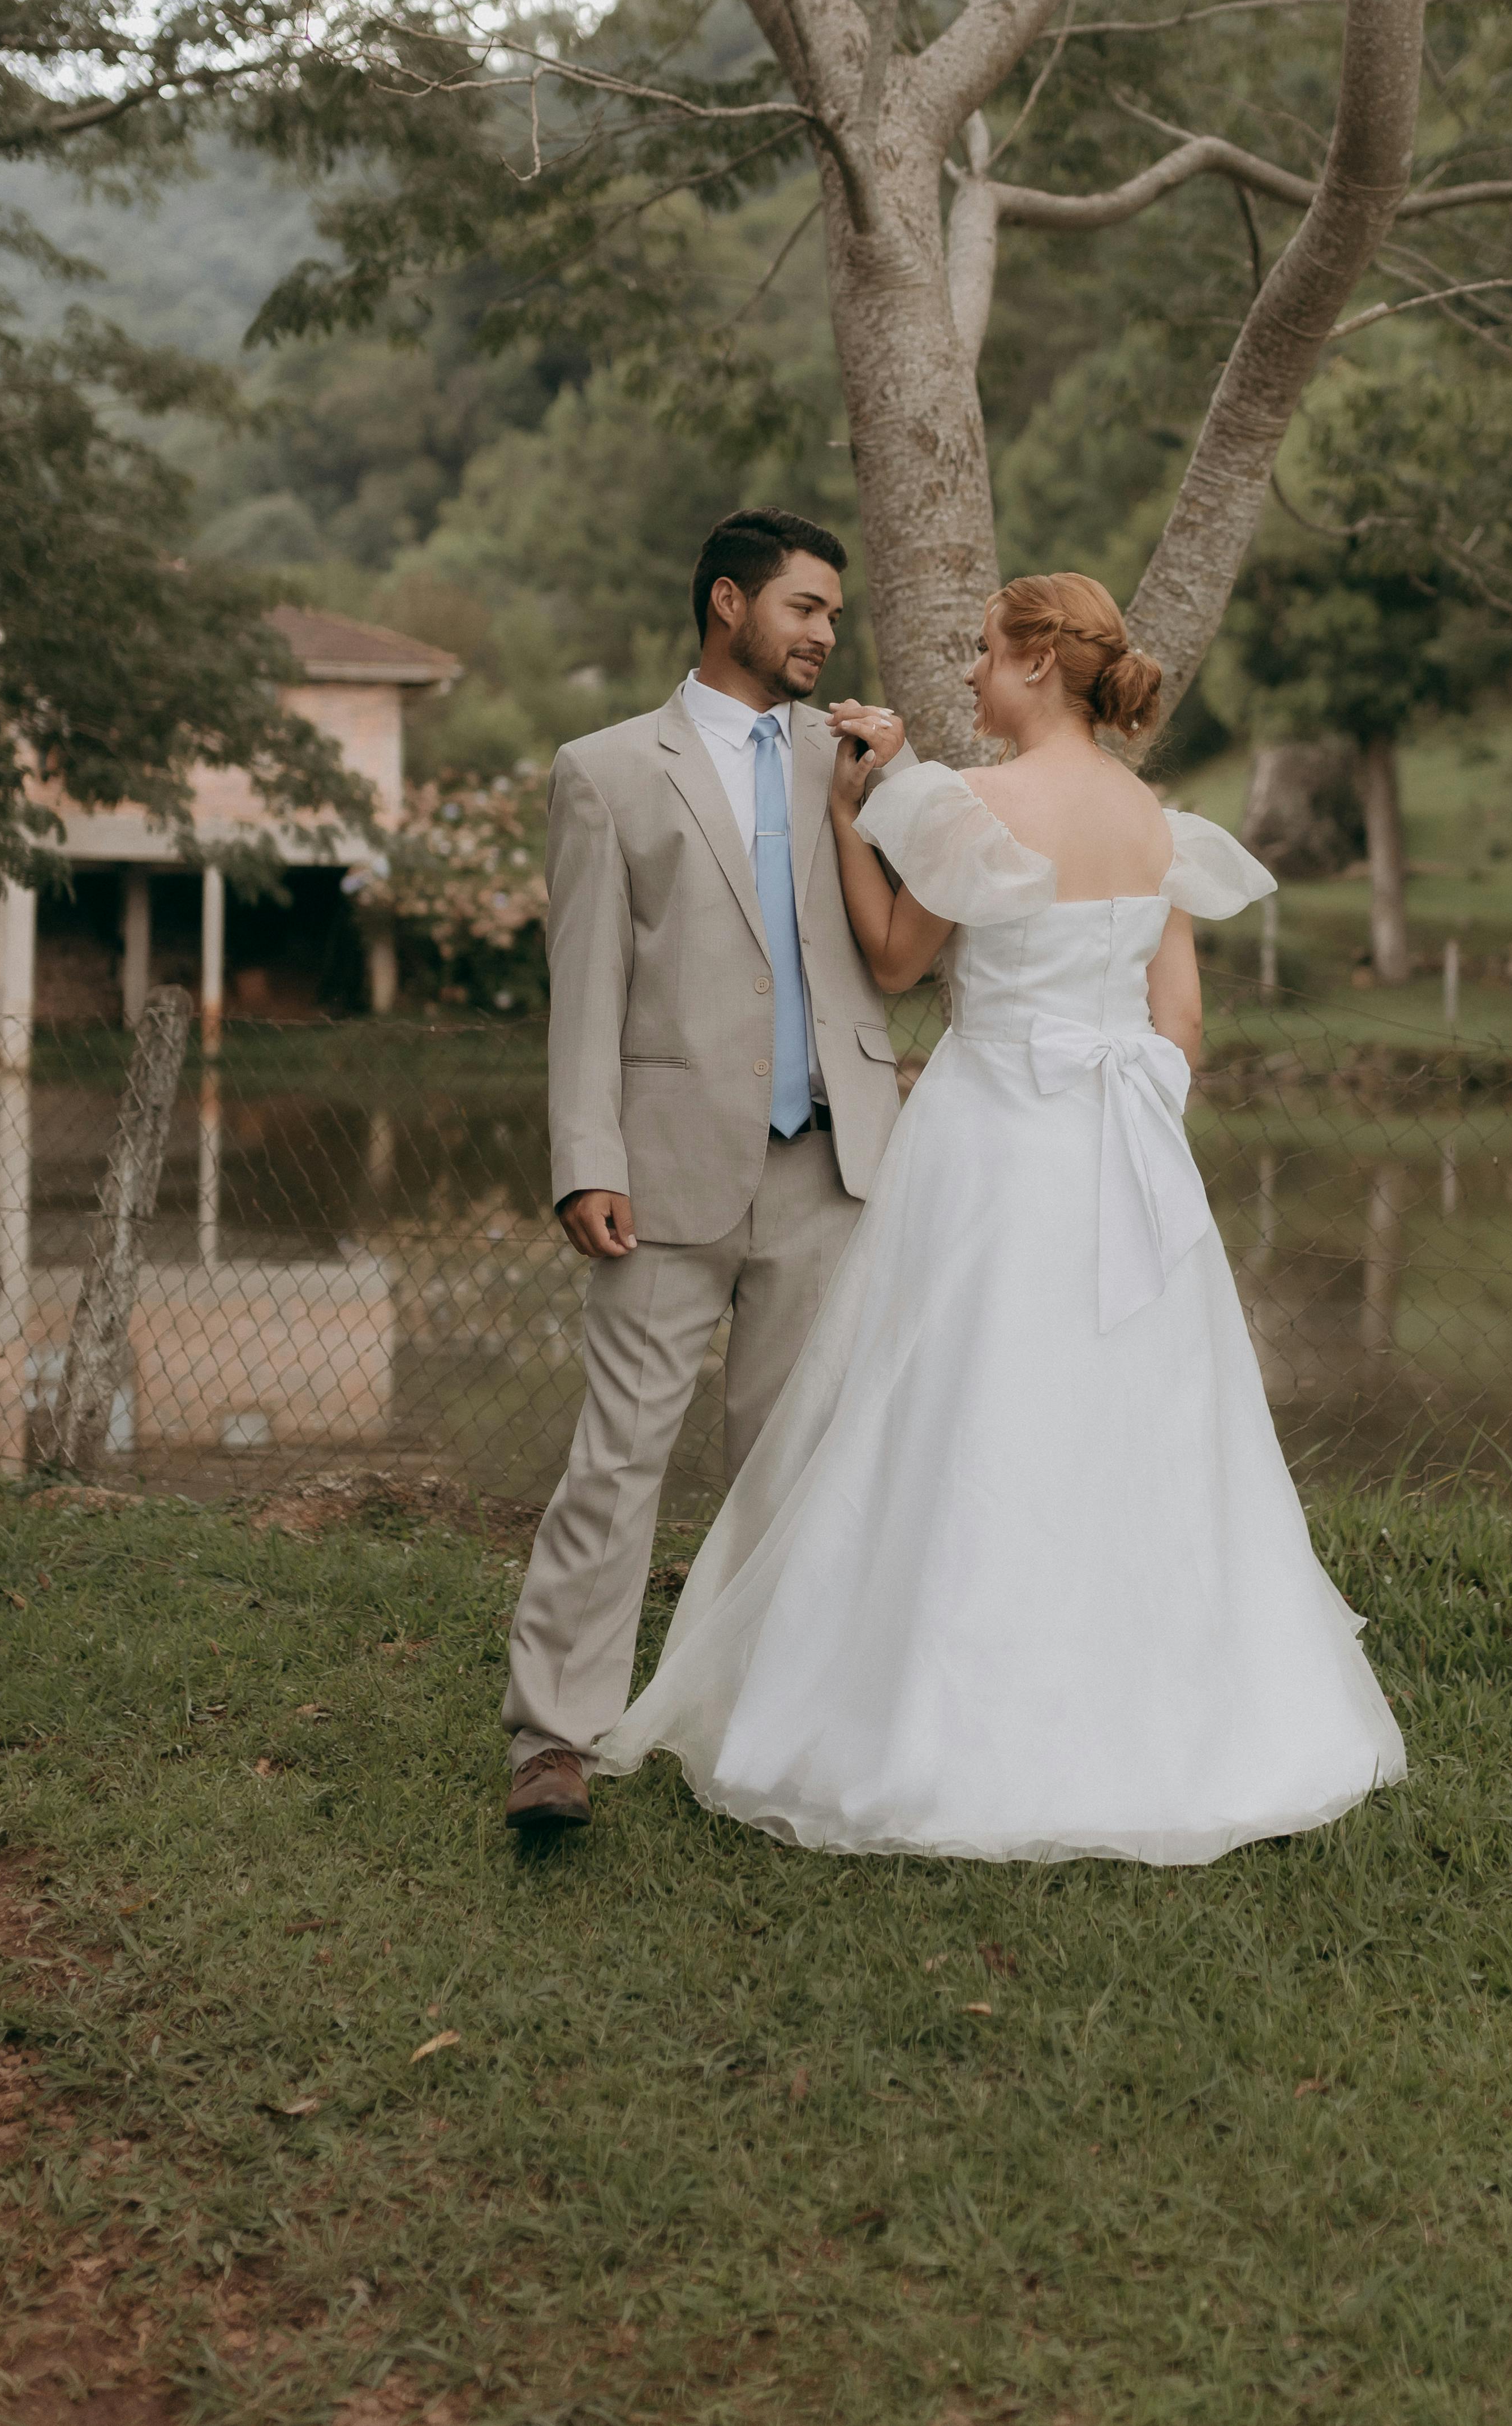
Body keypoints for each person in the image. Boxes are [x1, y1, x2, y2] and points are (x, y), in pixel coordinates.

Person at [593, 571, 1406, 1863]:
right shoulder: (1151, 820)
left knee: (958, 1405)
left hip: (985, 1142)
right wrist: (1121, 1112)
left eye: (980, 652)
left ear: (1034, 659)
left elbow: (897, 959)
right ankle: (1173, 1712)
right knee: (1132, 1419)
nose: (967, 675)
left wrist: (856, 819)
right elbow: (1177, 1028)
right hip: (1120, 1155)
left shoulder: (967, 806)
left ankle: (924, 1710)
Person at [502, 507, 911, 1830]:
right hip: (664, 1169)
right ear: (727, 603)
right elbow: (586, 987)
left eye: (833, 617)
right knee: (617, 1458)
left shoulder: (851, 761)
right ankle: (553, 1737)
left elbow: (912, 937)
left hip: (830, 1163)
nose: (823, 634)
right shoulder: (608, 769)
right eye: (804, 608)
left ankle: (769, 1729)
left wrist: (893, 791)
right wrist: (584, 1160)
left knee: (792, 1468)